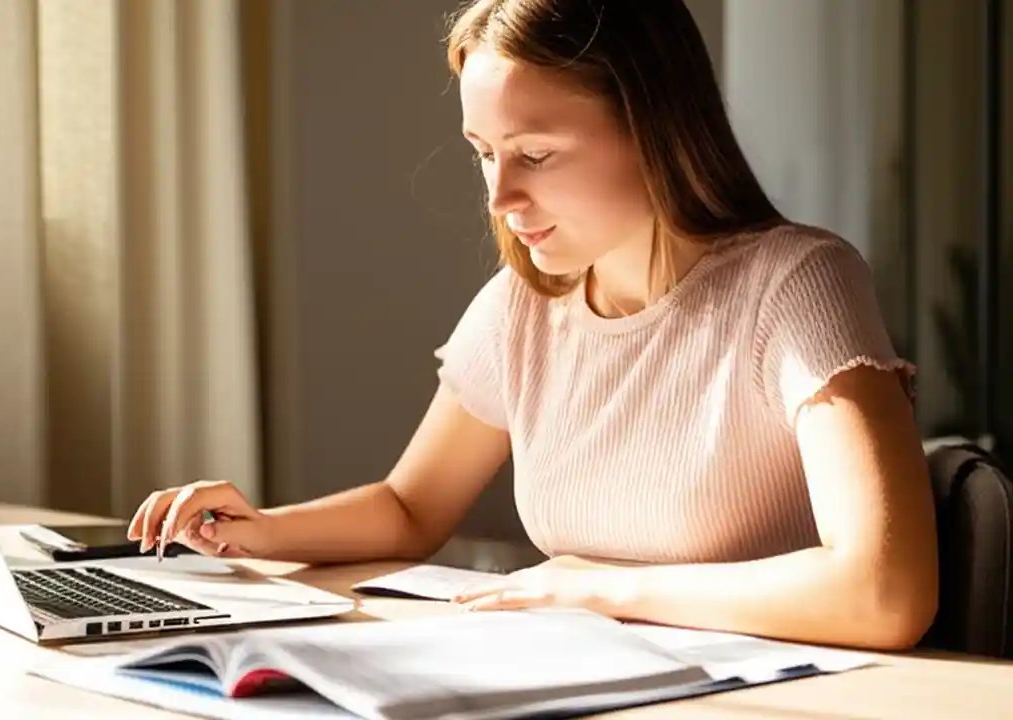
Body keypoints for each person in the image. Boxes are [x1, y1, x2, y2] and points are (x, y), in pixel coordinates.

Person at [128, 0, 938, 651]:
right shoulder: (525, 306)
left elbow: (883, 593)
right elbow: (411, 510)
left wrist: (593, 587)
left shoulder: (796, 283)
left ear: (654, 127)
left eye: (537, 155)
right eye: (485, 152)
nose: (499, 198)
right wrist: (262, 530)